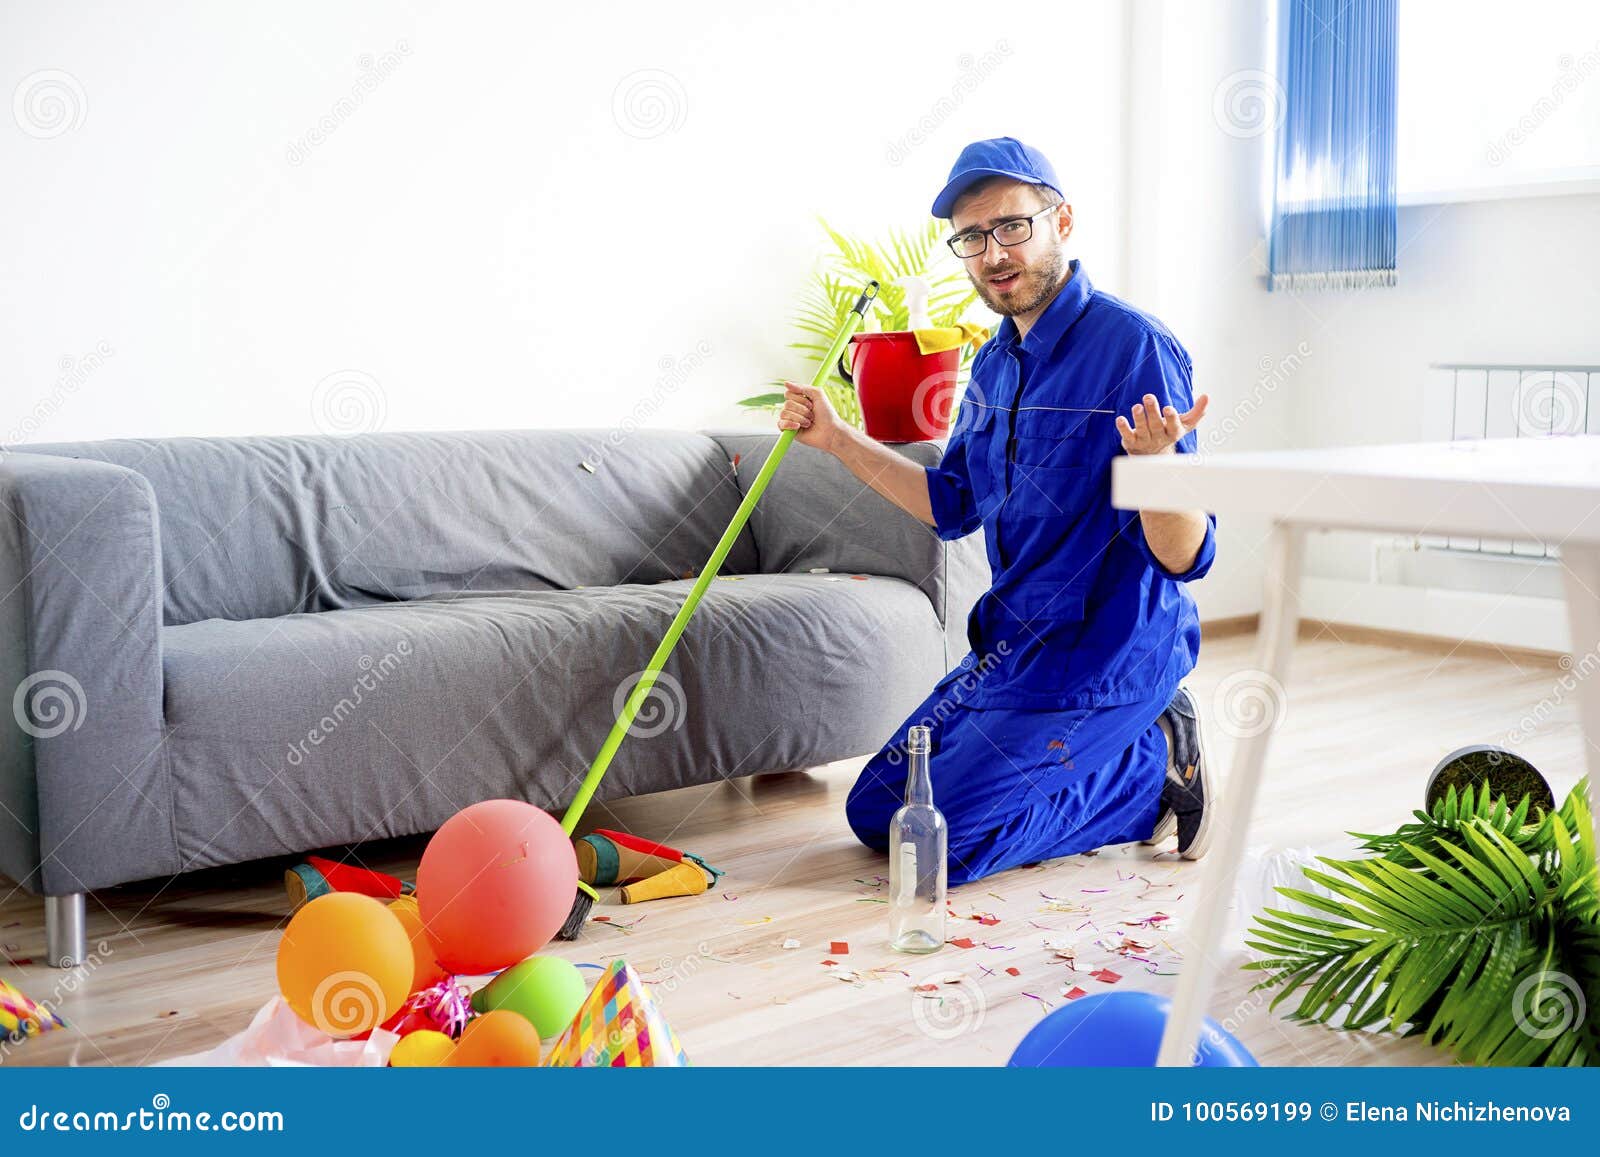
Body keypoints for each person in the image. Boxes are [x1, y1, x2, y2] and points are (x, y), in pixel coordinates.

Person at [777, 137, 1218, 885]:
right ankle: (1135, 756)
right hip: (1013, 652)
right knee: (876, 808)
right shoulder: (989, 364)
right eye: (972, 237)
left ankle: (1153, 767)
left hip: (1107, 657)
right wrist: (837, 439)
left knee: (931, 849)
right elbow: (951, 504)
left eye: (1011, 225)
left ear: (1062, 221)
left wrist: (1158, 473)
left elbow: (1187, 558)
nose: (993, 252)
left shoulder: (1134, 348)